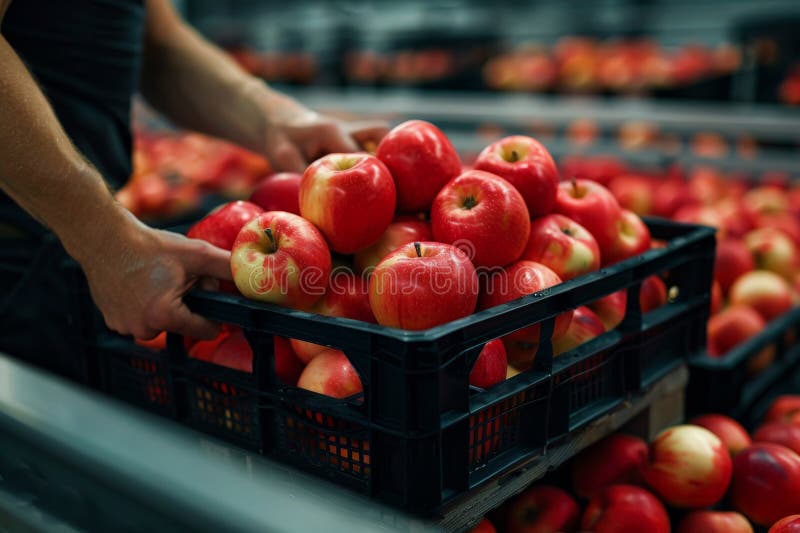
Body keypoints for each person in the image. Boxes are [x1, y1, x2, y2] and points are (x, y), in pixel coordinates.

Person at [0, 0, 387, 371]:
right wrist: (100, 237)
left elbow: (160, 47)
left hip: (59, 246)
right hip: (16, 264)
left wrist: (279, 120)